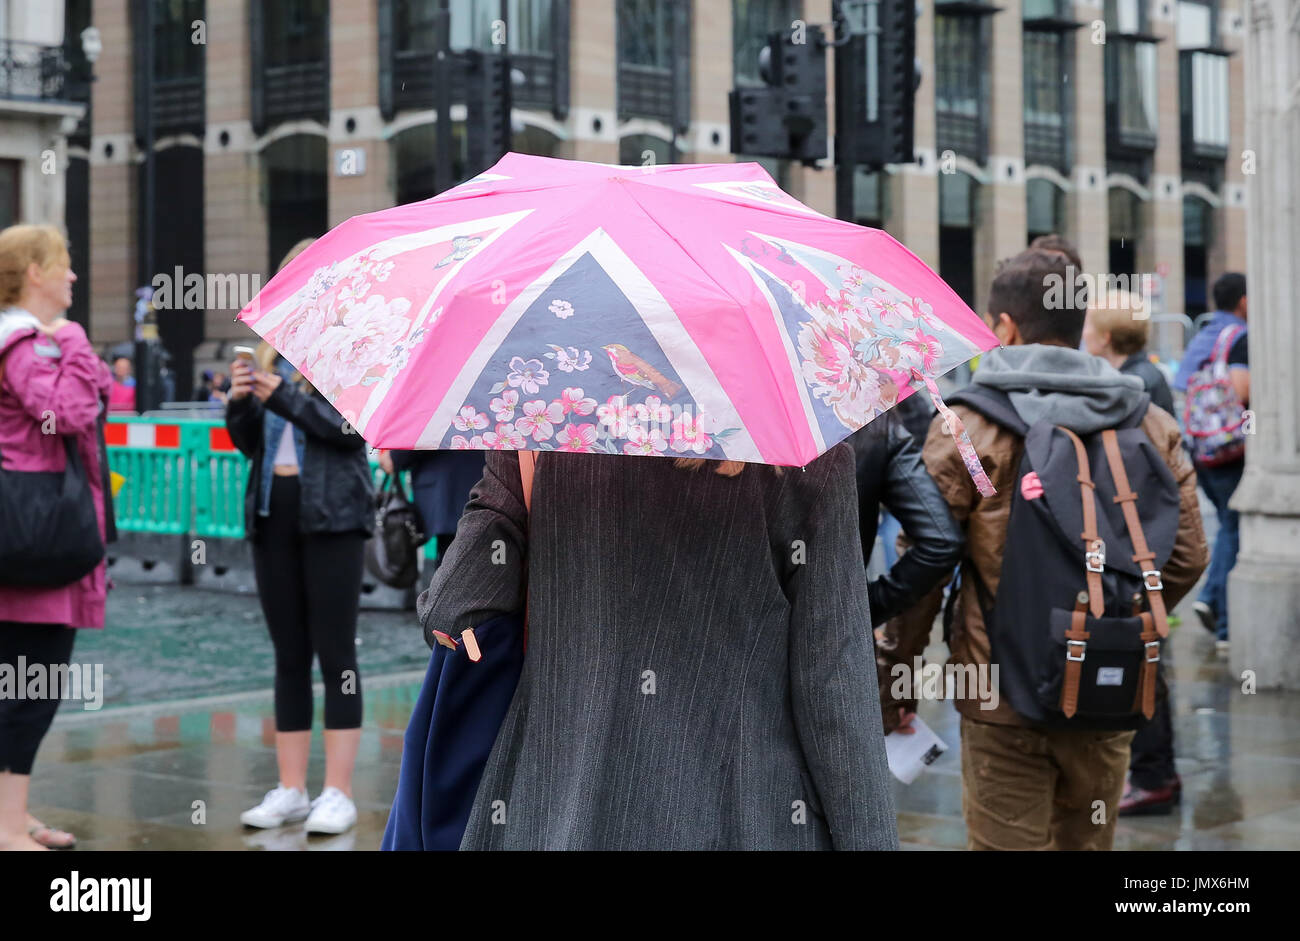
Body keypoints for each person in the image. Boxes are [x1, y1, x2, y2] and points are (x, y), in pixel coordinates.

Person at [882, 249, 1207, 850]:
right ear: (1078, 324)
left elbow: (921, 569)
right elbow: (1187, 557)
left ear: (1003, 326)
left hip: (998, 690)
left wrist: (896, 687)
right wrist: (1114, 620)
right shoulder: (1150, 421)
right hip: (1107, 684)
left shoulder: (969, 430)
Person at [417, 448, 899, 850]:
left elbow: (454, 612)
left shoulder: (547, 436)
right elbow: (835, 685)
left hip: (563, 803)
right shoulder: (807, 459)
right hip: (745, 809)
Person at [225, 239, 375, 836]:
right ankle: (290, 788)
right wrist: (240, 403)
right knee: (289, 654)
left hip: (334, 513)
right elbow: (249, 442)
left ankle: (337, 792)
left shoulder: (352, 344)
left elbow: (350, 431)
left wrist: (282, 398)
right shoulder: (270, 352)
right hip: (272, 512)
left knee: (337, 653)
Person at [0, 224, 113, 851]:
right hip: (35, 545)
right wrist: (71, 341)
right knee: (27, 684)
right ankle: (7, 826)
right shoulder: (27, 345)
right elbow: (67, 412)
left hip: (34, 540)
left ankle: (15, 813)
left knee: (25, 684)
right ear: (33, 272)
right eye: (63, 265)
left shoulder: (29, 344)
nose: (73, 276)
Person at [1083, 291, 1182, 815]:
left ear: (1102, 337)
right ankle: (1156, 772)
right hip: (1147, 543)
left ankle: (1152, 776)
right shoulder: (1148, 375)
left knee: (1144, 662)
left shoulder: (1133, 384)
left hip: (1138, 543)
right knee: (1149, 660)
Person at [847, 407, 964, 731]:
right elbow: (940, 542)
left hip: (720, 643)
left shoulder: (707, 412)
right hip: (833, 641)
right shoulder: (868, 414)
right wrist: (859, 608)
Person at [1174, 272, 1248, 643]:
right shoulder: (1239, 337)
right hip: (1229, 449)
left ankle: (1213, 601)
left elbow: (1182, 385)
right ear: (1244, 301)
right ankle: (1217, 611)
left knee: (1226, 526)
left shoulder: (1203, 337)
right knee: (1234, 527)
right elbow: (1240, 390)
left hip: (1201, 447)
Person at [376, 449, 485, 575]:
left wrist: (395, 456)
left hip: (451, 490)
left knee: (454, 573)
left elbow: (425, 431)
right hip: (468, 486)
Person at [1082, 290, 1175, 416]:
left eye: (1087, 325)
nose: (1084, 334)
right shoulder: (1144, 377)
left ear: (1105, 337)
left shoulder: (1130, 387)